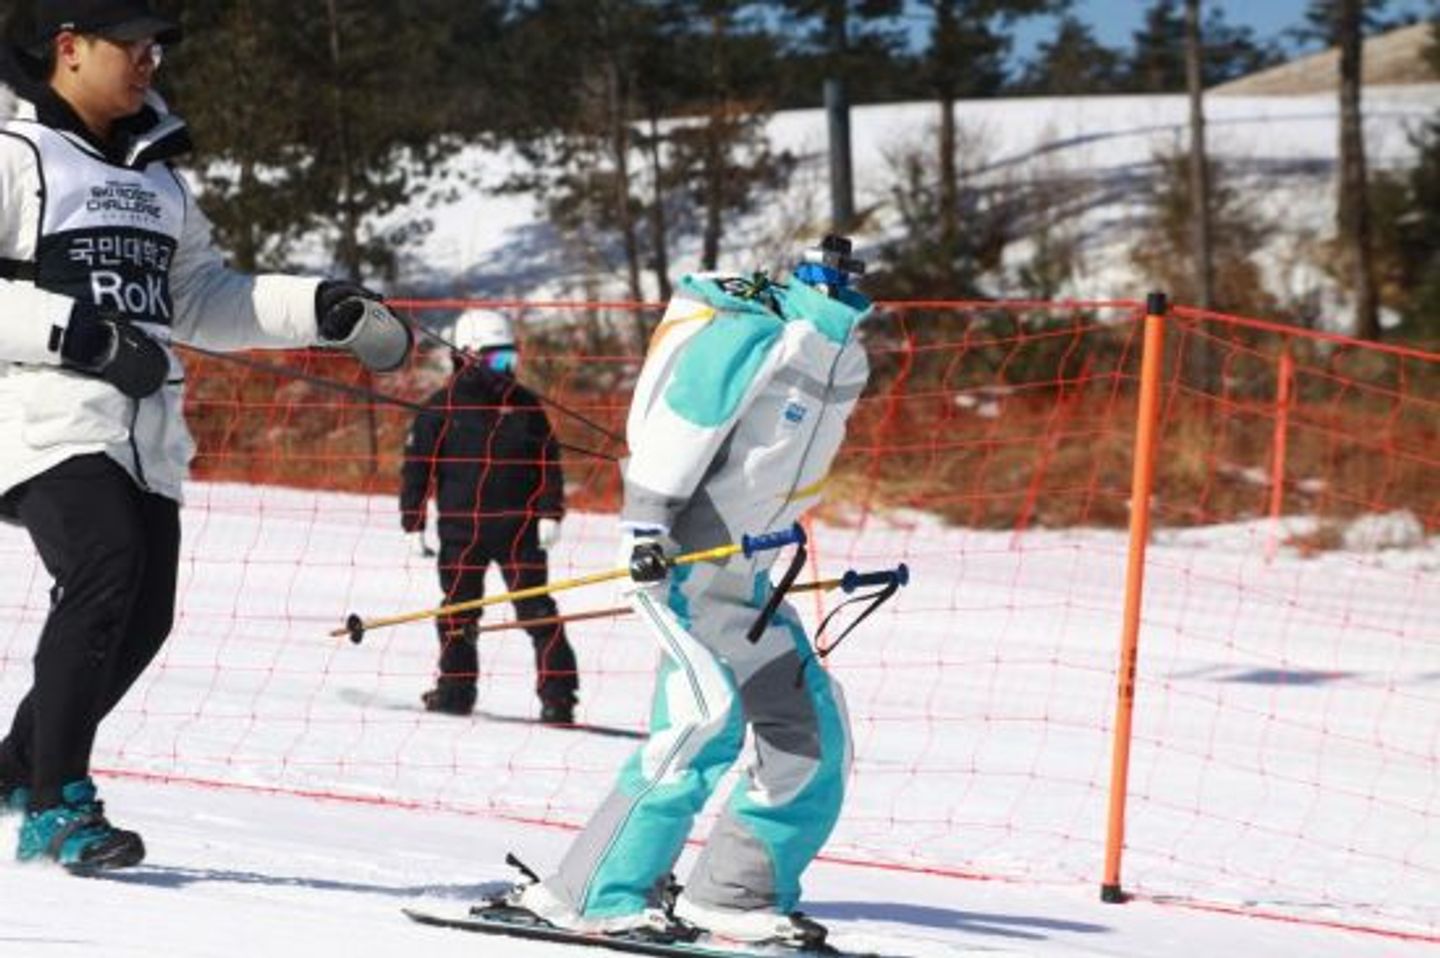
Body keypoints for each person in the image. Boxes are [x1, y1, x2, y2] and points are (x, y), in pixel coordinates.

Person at [0, 0, 412, 872]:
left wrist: (318, 309)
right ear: (69, 48)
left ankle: (16, 764)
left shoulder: (159, 179)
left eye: (157, 43)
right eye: (132, 42)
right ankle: (56, 804)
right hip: (34, 415)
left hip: (143, 431)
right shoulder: (15, 154)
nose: (150, 57)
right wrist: (82, 335)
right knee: (105, 565)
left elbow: (203, 300)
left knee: (144, 614)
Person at [499, 238, 873, 949]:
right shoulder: (762, 332)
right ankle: (589, 893)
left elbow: (781, 464)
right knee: (705, 719)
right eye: (834, 278)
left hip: (746, 579)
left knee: (815, 736)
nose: (849, 286)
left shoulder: (843, 349)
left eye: (853, 280)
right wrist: (646, 524)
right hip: (680, 564)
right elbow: (686, 420)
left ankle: (733, 895)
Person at [399, 309, 579, 724]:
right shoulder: (439, 409)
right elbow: (416, 470)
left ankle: (559, 696)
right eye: (498, 361)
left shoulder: (526, 407)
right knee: (458, 613)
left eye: (512, 360)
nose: (508, 371)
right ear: (468, 356)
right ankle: (455, 691)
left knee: (537, 611)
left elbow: (548, 462)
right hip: (462, 532)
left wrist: (550, 512)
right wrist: (413, 522)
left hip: (520, 531)